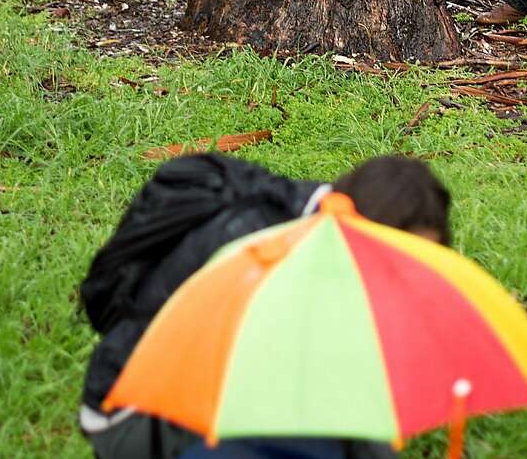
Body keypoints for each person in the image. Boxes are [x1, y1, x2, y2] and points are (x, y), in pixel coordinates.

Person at [80, 155, 450, 459]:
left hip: (227, 393)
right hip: (133, 411)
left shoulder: (324, 224)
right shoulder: (264, 249)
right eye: (395, 258)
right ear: (363, 223)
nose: (401, 275)